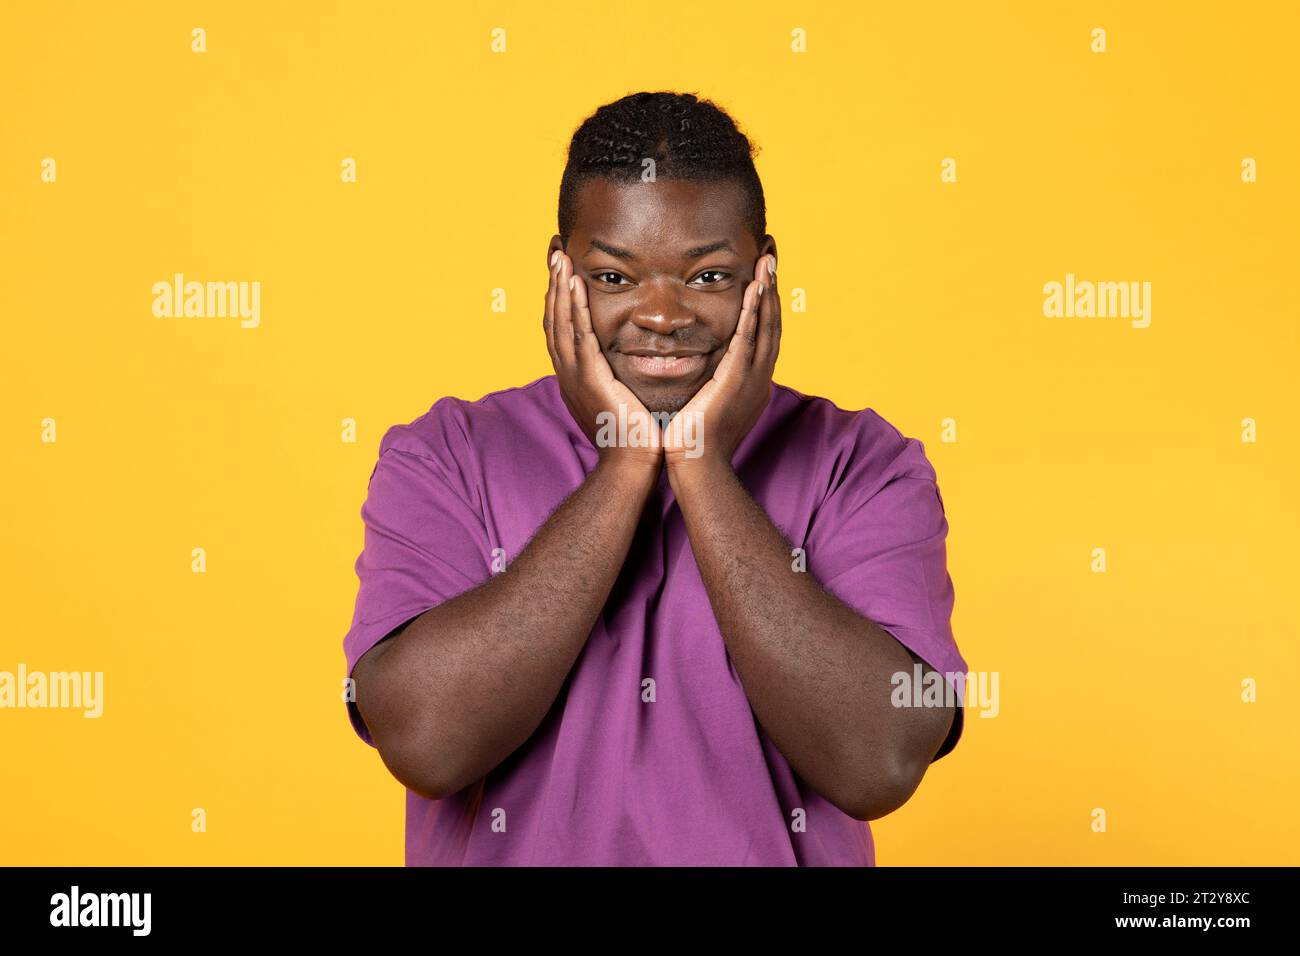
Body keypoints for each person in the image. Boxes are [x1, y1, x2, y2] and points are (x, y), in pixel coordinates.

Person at [342, 91, 967, 865]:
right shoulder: (444, 456)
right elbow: (427, 746)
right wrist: (627, 461)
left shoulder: (862, 465)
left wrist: (700, 465)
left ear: (764, 275)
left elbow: (878, 763)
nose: (663, 314)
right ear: (559, 273)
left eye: (708, 277)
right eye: (613, 278)